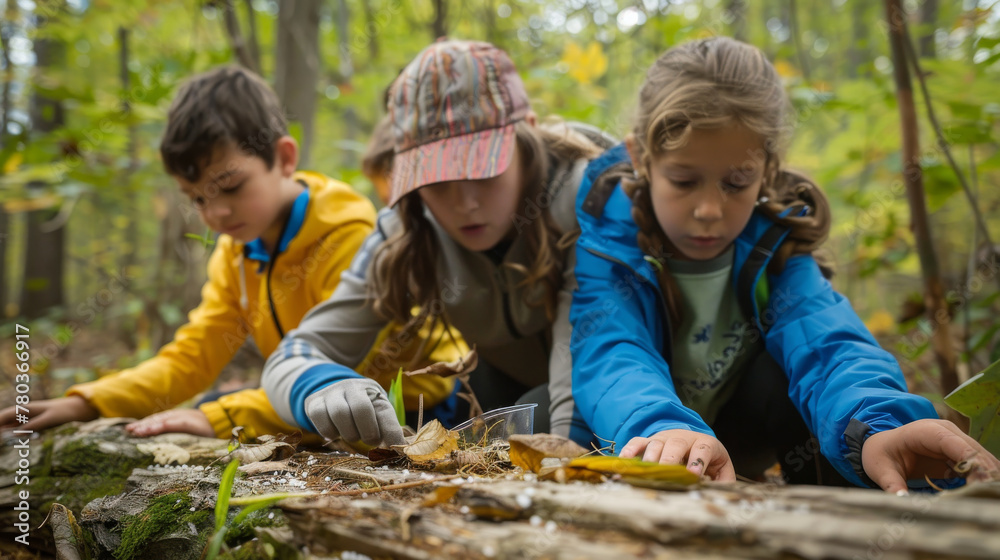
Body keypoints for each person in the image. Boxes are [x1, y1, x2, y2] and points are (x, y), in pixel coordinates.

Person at [569, 37, 1000, 492]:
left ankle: (830, 515)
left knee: (787, 379)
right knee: (551, 407)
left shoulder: (776, 247)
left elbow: (828, 345)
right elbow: (612, 351)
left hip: (741, 436)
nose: (709, 210)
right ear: (640, 157)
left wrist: (881, 427)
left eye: (737, 182)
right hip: (650, 438)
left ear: (767, 168)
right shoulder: (610, 244)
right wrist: (660, 427)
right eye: (684, 180)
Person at [0, 65, 459, 443]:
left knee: (211, 414)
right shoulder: (236, 252)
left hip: (419, 409)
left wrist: (220, 417)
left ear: (284, 158)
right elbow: (194, 354)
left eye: (232, 187)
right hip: (306, 402)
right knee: (203, 411)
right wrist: (88, 402)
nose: (215, 212)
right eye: (197, 198)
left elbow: (353, 377)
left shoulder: (348, 236)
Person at [261, 39, 604, 448]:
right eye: (436, 180)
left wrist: (563, 462)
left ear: (527, 130)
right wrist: (324, 385)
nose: (465, 204)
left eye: (483, 171)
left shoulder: (591, 200)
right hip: (503, 383)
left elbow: (580, 379)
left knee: (537, 415)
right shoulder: (409, 229)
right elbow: (298, 351)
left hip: (615, 391)